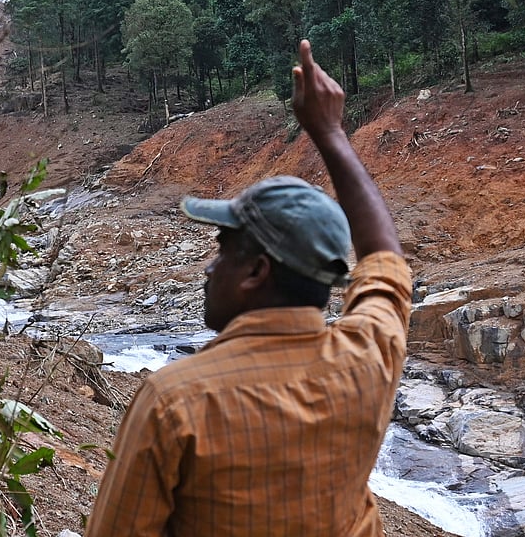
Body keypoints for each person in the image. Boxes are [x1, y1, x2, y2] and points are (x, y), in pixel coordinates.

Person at [85, 39, 411, 537]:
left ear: (258, 272)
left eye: (223, 250)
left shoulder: (175, 401)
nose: (210, 269)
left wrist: (326, 131)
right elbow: (384, 256)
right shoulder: (368, 359)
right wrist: (330, 133)